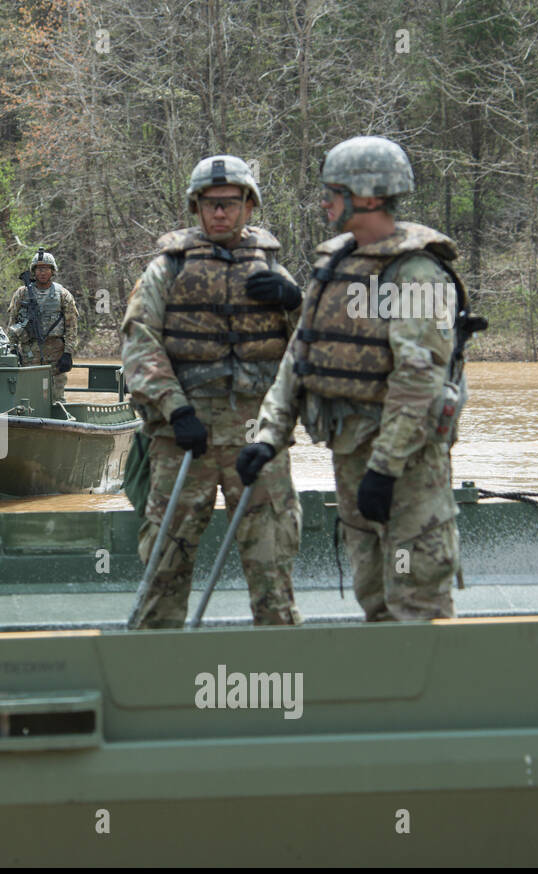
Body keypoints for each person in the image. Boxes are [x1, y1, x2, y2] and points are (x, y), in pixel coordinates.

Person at [238, 135, 466, 621]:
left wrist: (384, 468)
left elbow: (418, 382)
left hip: (406, 467)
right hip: (348, 456)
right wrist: (268, 436)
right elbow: (300, 356)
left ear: (368, 197)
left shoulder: (417, 272)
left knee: (417, 599)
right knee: (374, 597)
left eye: (333, 192)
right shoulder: (336, 264)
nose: (324, 201)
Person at [121, 154, 304, 629]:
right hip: (185, 436)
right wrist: (175, 410)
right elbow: (140, 342)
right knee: (165, 560)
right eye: (210, 204)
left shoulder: (273, 270)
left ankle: (283, 670)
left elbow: (308, 353)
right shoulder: (167, 269)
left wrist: (296, 304)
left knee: (272, 562)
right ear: (195, 207)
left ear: (248, 205)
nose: (220, 213)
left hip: (256, 438)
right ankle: (156, 668)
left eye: (229, 203)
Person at [6, 249, 79, 403]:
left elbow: (71, 327)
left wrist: (68, 353)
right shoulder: (22, 293)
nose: (42, 272)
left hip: (55, 353)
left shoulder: (63, 294)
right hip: (29, 353)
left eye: (46, 268)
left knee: (56, 398)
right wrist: (12, 349)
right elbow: (12, 323)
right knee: (28, 398)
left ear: (52, 271)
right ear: (33, 271)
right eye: (39, 269)